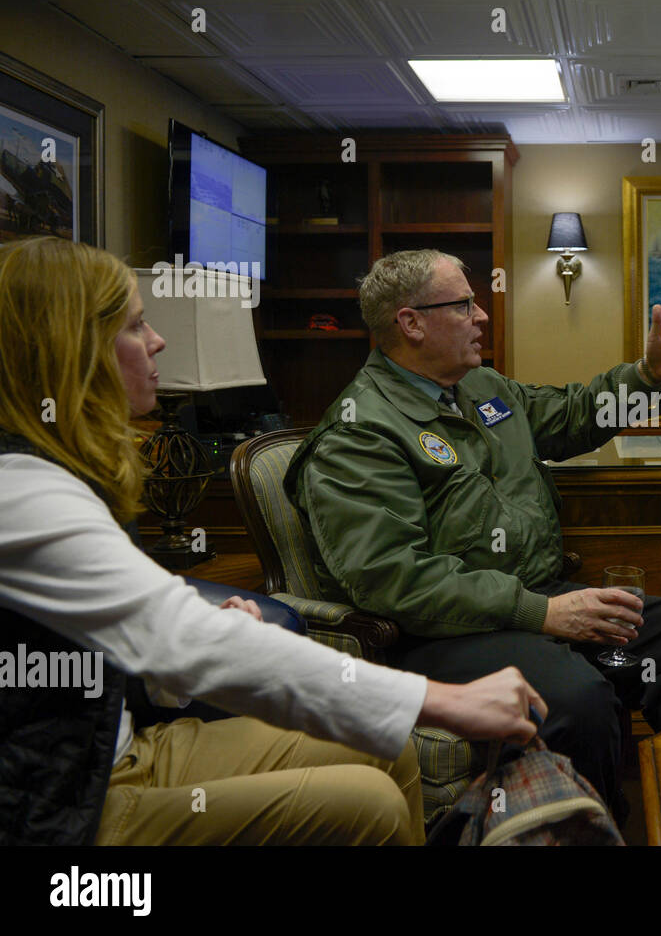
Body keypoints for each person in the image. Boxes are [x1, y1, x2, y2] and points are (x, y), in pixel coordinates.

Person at [0, 236, 546, 846]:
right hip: (62, 809)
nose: (157, 341)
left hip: (112, 750)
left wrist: (198, 643)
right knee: (367, 804)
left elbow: (134, 644)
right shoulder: (19, 492)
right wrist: (441, 701)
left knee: (389, 751)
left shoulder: (66, 468)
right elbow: (177, 636)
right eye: (135, 326)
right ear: (68, 353)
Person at [285, 249, 661, 811]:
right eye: (463, 304)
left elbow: (574, 416)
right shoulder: (359, 433)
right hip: (440, 636)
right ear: (410, 323)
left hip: (534, 601)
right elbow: (392, 579)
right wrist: (543, 613)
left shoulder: (482, 388)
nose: (481, 315)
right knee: (576, 698)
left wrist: (645, 376)